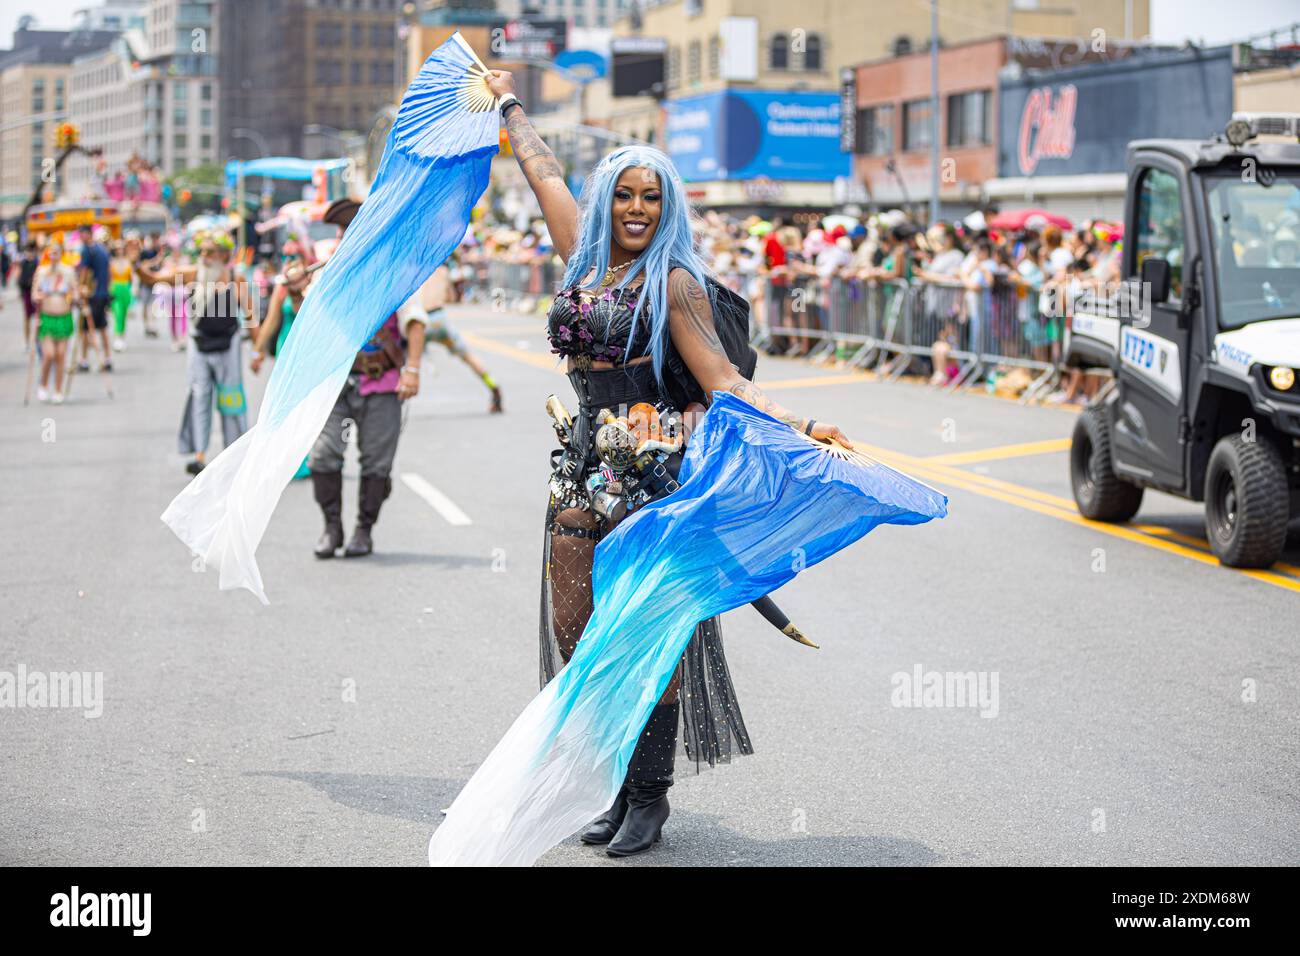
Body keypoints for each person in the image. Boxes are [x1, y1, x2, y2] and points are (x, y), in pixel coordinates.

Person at [489, 68, 852, 858]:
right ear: (606, 201)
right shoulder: (580, 263)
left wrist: (805, 421)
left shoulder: (674, 281)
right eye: (625, 195)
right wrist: (509, 103)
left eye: (652, 198)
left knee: (650, 636)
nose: (636, 209)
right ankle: (614, 786)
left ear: (669, 207)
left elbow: (724, 381)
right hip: (578, 473)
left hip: (654, 478)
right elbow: (542, 168)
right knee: (581, 635)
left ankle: (649, 799)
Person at [307, 198, 427, 559]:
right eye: (343, 231)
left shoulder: (398, 273)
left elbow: (415, 322)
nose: (345, 237)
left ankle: (364, 529)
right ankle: (331, 527)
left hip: (381, 381)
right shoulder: (328, 273)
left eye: (352, 230)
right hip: (335, 383)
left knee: (377, 461)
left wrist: (413, 370)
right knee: (324, 456)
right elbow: (309, 321)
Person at [138, 231, 251, 474]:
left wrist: (259, 351)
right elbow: (153, 278)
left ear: (224, 255)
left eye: (209, 252)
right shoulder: (193, 274)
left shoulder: (236, 278)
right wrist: (135, 263)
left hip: (228, 345)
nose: (204, 257)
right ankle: (200, 454)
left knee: (230, 398)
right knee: (200, 395)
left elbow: (252, 317)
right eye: (202, 252)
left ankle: (234, 455)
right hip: (199, 344)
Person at [420, 262, 503, 413]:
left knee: (404, 358)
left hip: (421, 323)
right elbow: (451, 297)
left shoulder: (412, 270)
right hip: (440, 320)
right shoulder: (442, 271)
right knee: (467, 356)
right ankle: (493, 387)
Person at [32, 239, 81, 404]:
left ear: (61, 254)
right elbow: (34, 294)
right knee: (49, 354)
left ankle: (58, 389)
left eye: (56, 252)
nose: (53, 255)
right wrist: (38, 297)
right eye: (51, 252)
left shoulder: (68, 272)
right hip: (47, 317)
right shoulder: (41, 272)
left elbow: (75, 293)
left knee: (61, 355)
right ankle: (43, 384)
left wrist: (77, 297)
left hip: (64, 317)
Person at [76, 224, 113, 372]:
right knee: (102, 327)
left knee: (86, 328)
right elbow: (109, 272)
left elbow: (84, 272)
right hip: (103, 293)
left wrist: (80, 289)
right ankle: (107, 358)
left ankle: (84, 361)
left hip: (93, 295)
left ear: (88, 234)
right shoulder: (101, 249)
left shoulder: (87, 250)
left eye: (82, 234)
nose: (81, 237)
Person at [108, 239, 135, 351]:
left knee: (124, 315)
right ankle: (117, 338)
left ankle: (122, 337)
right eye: (117, 248)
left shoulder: (128, 261)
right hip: (115, 289)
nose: (119, 250)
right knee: (117, 313)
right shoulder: (111, 262)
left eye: (121, 248)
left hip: (126, 289)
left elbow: (132, 278)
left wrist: (133, 291)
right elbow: (109, 278)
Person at [17, 239, 41, 353]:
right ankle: (27, 342)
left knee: (37, 318)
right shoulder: (23, 262)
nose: (30, 253)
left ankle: (37, 341)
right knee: (27, 318)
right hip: (27, 292)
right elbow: (19, 277)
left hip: (35, 292)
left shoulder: (38, 262)